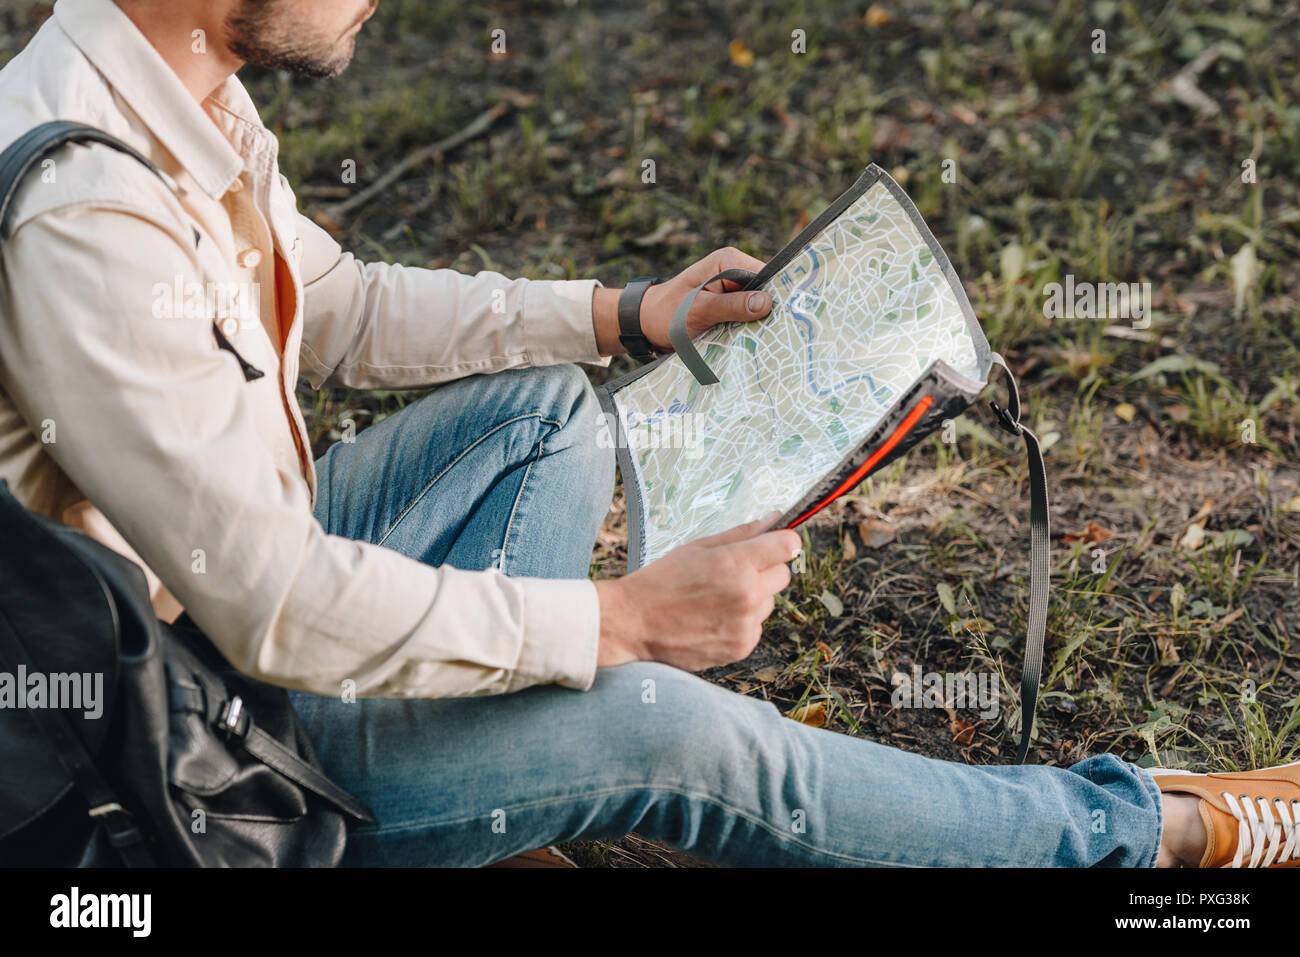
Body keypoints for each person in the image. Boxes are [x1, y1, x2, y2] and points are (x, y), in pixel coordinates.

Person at [0, 0, 1294, 869]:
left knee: (546, 414)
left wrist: (626, 314)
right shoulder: (85, 214)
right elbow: (279, 603)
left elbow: (332, 301)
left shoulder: (164, 88)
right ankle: (1144, 829)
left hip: (220, 628)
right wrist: (623, 622)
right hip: (188, 769)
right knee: (676, 729)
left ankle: (488, 771)